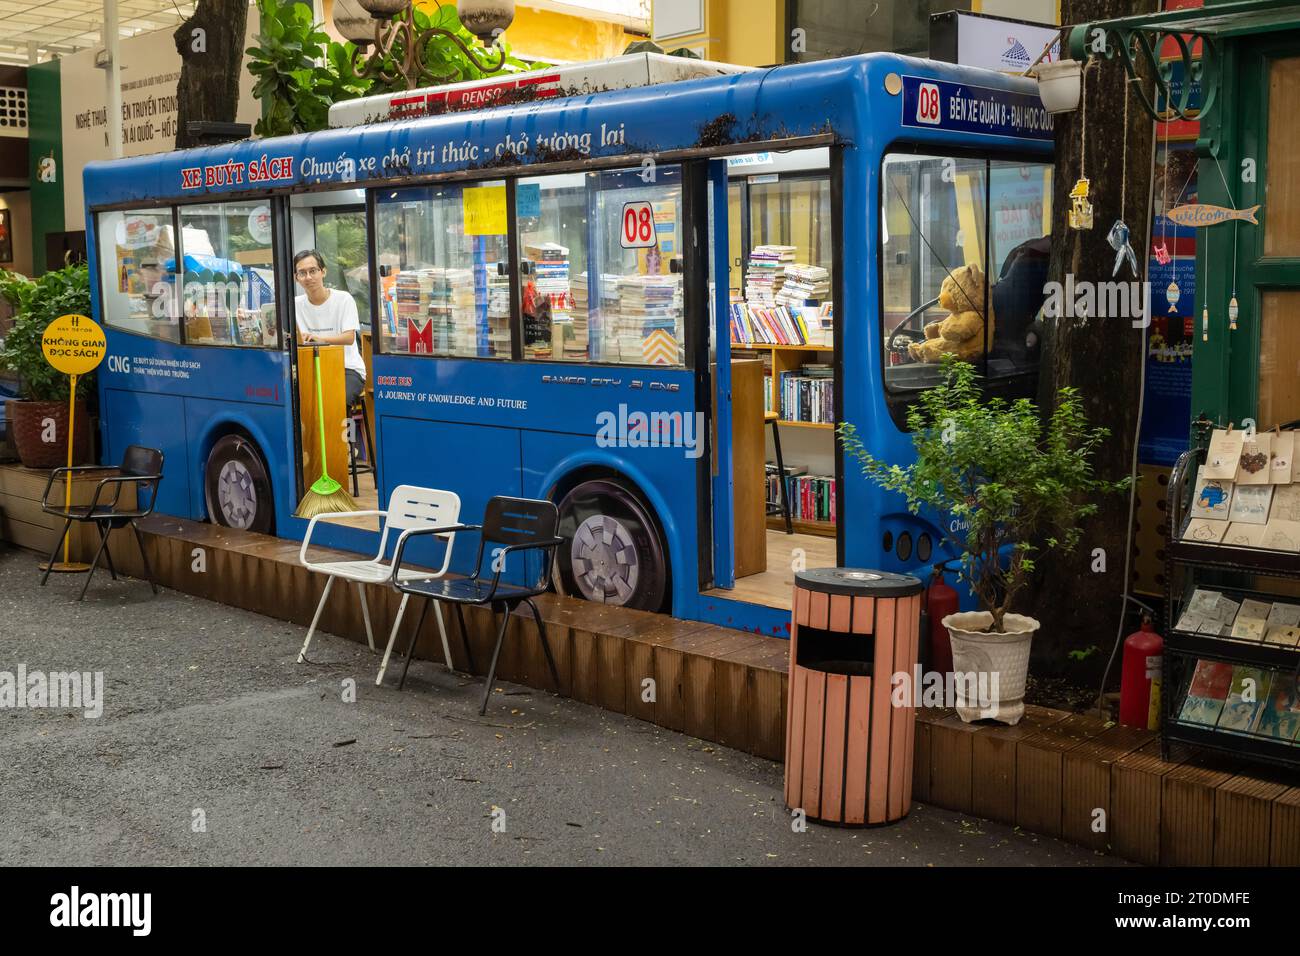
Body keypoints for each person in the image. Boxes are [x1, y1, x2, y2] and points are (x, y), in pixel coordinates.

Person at [293, 249, 365, 408]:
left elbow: (349, 338)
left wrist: (321, 339)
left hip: (346, 368)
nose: (308, 277)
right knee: (294, 401)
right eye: (302, 273)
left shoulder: (344, 299)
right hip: (311, 369)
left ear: (323, 271)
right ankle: (310, 434)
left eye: (313, 271)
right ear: (296, 278)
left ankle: (347, 434)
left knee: (336, 402)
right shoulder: (294, 304)